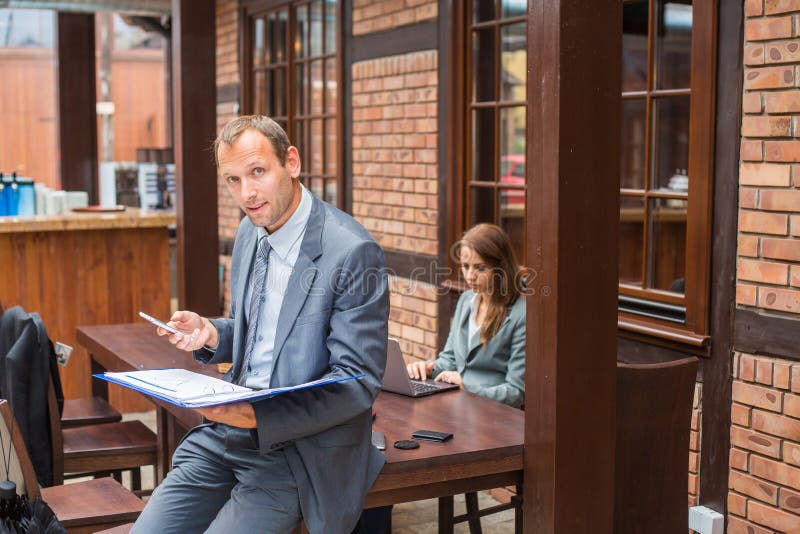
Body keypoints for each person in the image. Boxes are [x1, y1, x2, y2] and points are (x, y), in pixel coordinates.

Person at [131, 115, 389, 534]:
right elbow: (261, 335)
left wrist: (256, 417)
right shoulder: (249, 233)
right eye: (233, 180)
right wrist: (212, 333)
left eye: (257, 172)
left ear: (292, 162)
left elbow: (355, 384)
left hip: (297, 454)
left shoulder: (352, 252)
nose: (247, 193)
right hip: (225, 437)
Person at [407, 223, 525, 408]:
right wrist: (427, 368)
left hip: (493, 414)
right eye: (465, 266)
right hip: (456, 406)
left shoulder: (521, 314)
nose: (470, 276)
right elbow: (450, 359)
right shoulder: (466, 300)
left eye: (480, 268)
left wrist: (467, 388)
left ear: (501, 267)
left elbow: (516, 392)